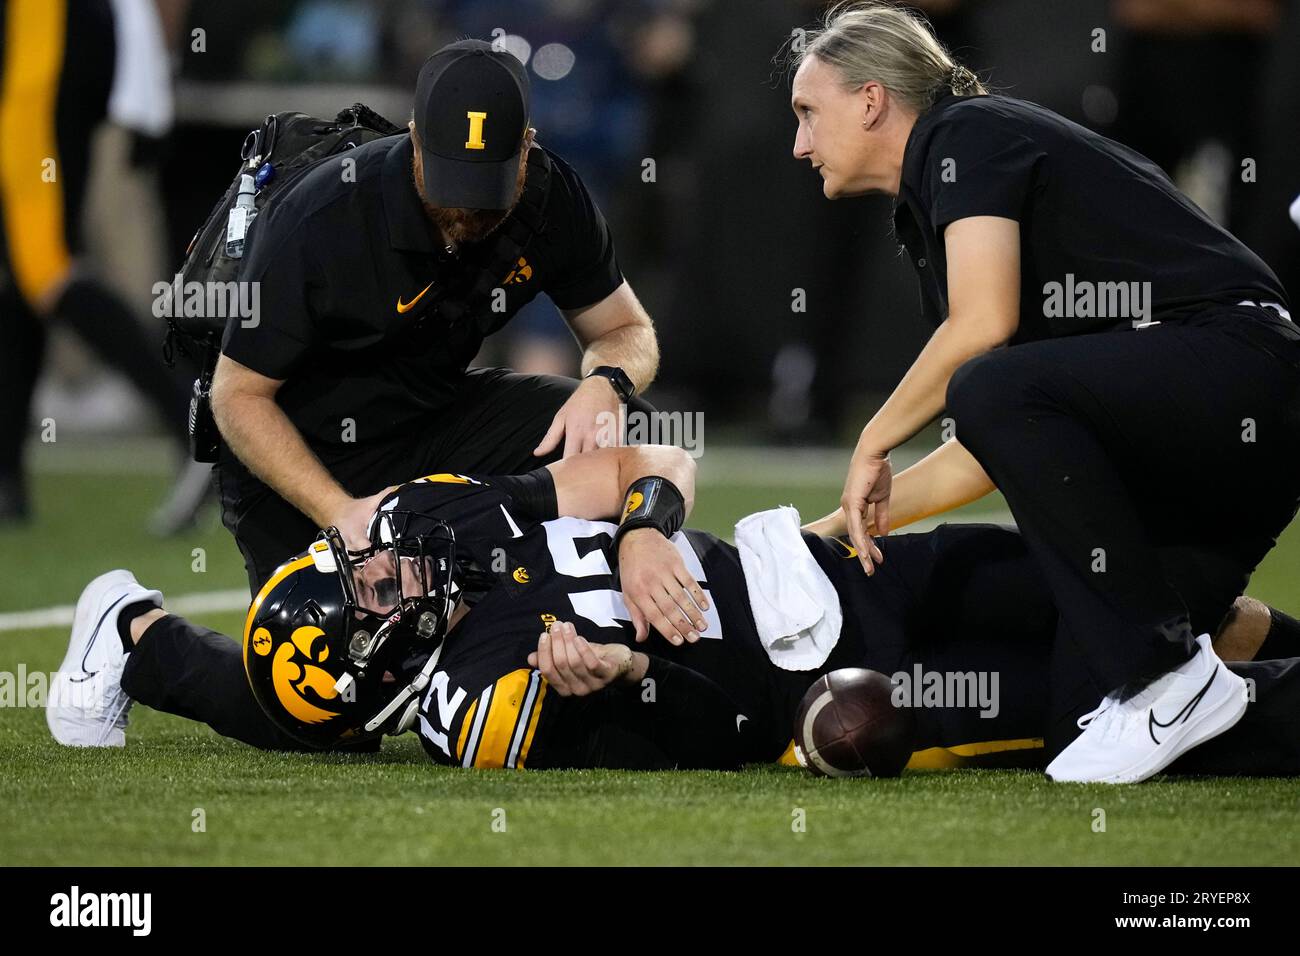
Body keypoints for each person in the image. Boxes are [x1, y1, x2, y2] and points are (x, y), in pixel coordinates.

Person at [46, 443, 1300, 778]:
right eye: (369, 589)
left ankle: (134, 633)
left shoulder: (451, 526)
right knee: (1143, 705)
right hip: (840, 689)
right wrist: (617, 675)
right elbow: (689, 720)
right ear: (380, 657)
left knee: (1166, 595)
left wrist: (642, 521)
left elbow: (645, 457)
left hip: (829, 564)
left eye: (364, 560)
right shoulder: (479, 705)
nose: (385, 561)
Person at [789, 2, 1300, 782]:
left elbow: (986, 334)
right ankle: (1190, 679)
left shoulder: (965, 134)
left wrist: (874, 438)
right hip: (1199, 435)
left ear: (869, 100)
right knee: (1082, 729)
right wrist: (823, 536)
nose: (798, 144)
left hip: (1242, 370)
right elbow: (998, 442)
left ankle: (1169, 674)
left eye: (807, 112)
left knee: (989, 381)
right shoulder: (936, 193)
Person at [212, 38, 658, 593]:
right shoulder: (324, 215)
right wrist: (343, 514)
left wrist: (605, 383)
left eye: (486, 188)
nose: (465, 210)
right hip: (305, 455)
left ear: (526, 148)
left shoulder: (553, 199)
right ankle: (136, 629)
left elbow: (626, 329)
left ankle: (579, 623)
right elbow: (236, 395)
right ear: (414, 137)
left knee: (627, 424)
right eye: (449, 183)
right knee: (333, 672)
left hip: (432, 423)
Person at [0, 0, 206, 529]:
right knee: (20, 278)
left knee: (45, 268)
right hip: (50, 43)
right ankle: (7, 480)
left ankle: (190, 423)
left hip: (40, 40)